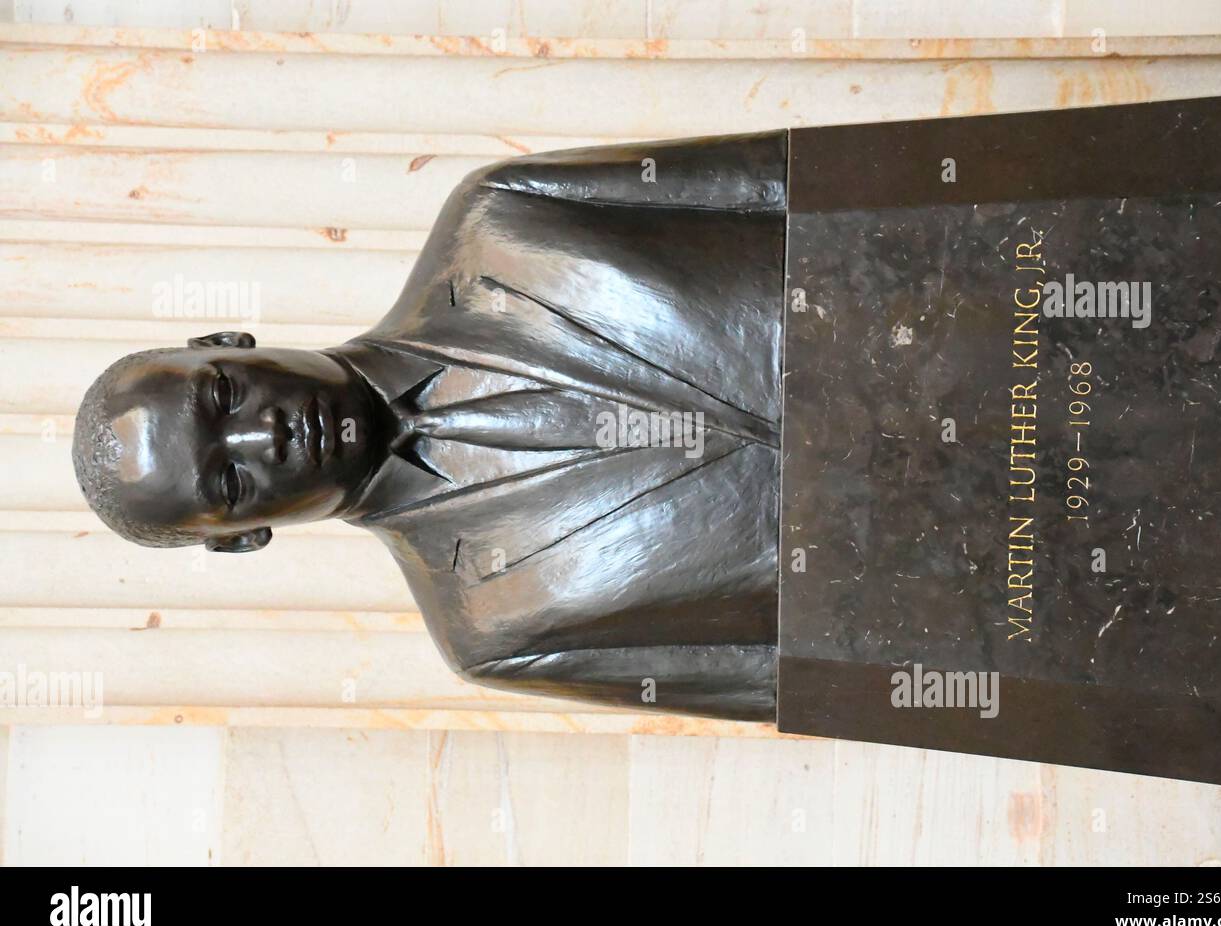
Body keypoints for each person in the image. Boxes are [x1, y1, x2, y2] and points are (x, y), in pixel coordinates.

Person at [72, 132, 787, 720]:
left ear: (225, 341)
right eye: (230, 478)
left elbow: (796, 178)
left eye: (224, 397)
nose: (270, 435)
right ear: (241, 539)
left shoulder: (501, 216)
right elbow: (794, 681)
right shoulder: (496, 631)